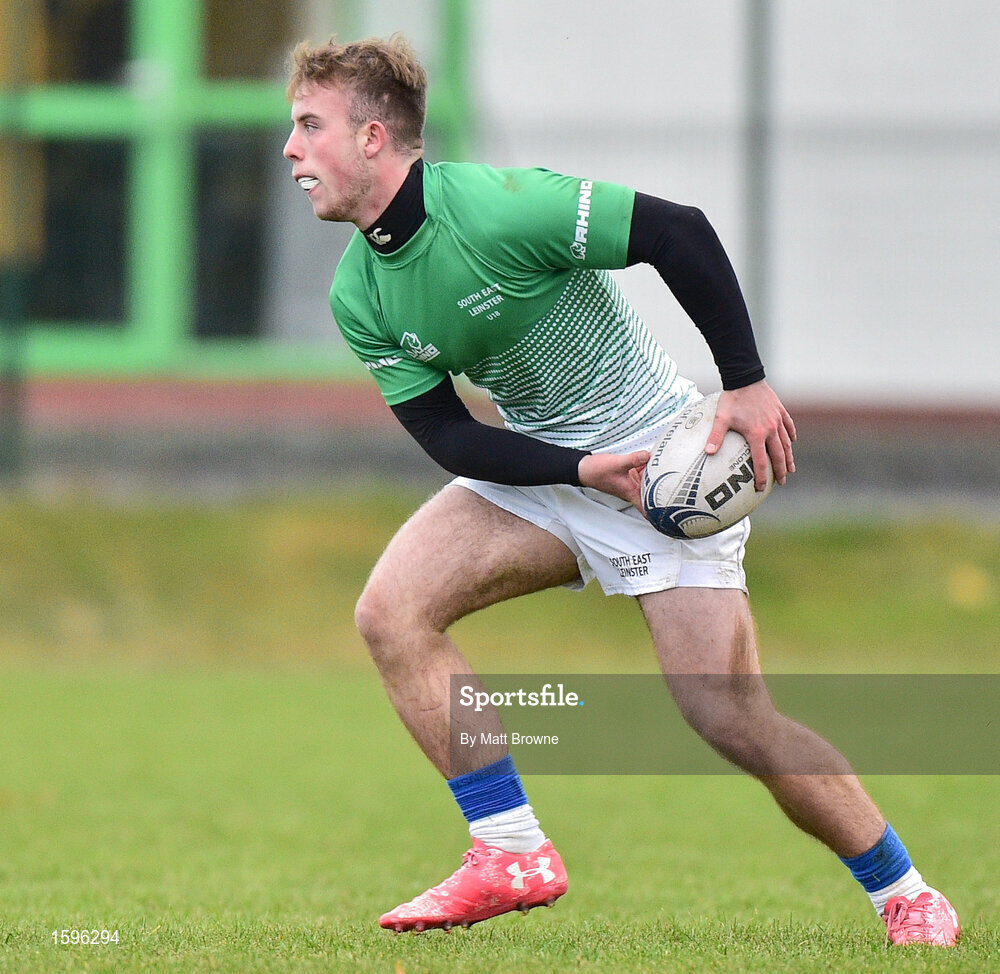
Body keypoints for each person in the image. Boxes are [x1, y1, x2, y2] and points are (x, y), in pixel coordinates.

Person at [282, 33, 959, 946]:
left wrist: (747, 383)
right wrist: (572, 471)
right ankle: (510, 848)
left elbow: (676, 230)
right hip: (551, 469)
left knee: (727, 715)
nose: (289, 149)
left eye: (308, 125)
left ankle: (905, 891)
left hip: (665, 464)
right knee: (391, 612)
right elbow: (448, 435)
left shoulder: (494, 206)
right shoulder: (358, 293)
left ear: (371, 137)